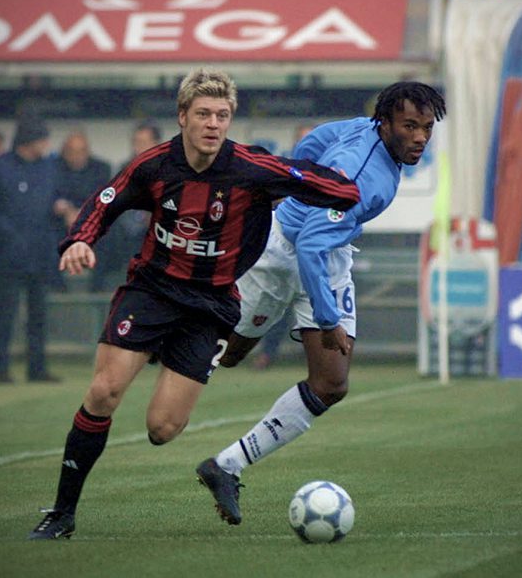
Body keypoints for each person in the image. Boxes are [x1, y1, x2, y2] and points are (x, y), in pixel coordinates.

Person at [27, 67, 360, 541]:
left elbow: (323, 183)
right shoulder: (154, 166)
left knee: (163, 429)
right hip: (152, 291)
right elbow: (106, 201)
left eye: (222, 115)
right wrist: (77, 241)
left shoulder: (251, 168)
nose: (213, 124)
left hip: (210, 308)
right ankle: (62, 513)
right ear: (182, 116)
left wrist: (354, 196)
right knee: (103, 392)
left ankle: (160, 352)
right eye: (203, 113)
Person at [196, 82, 446, 526]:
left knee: (331, 382)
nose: (420, 137)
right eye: (410, 126)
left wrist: (289, 180)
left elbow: (315, 142)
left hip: (325, 255)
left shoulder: (358, 129)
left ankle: (225, 466)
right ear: (385, 122)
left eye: (426, 127)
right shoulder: (364, 179)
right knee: (231, 354)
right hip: (280, 255)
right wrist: (329, 319)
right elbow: (310, 243)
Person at [0, 115, 61, 383]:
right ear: (29, 141)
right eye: (43, 139)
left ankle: (37, 368)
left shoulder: (49, 168)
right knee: (4, 313)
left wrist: (60, 207)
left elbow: (53, 201)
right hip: (9, 255)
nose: (47, 145)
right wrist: (12, 235)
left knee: (38, 316)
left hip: (40, 254)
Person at [251, 122, 315, 370]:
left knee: (316, 302)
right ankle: (262, 351)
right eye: (301, 140)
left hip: (315, 254)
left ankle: (318, 353)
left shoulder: (328, 174)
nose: (306, 147)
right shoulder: (285, 173)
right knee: (275, 302)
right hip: (283, 251)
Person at [94, 121, 163, 295]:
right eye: (135, 142)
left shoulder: (169, 169)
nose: (137, 147)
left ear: (156, 143)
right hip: (127, 232)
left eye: (143, 142)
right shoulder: (125, 168)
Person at [52, 130, 112, 292]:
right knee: (46, 235)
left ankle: (96, 287)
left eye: (81, 151)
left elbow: (106, 198)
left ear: (88, 151)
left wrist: (82, 214)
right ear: (64, 152)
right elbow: (51, 196)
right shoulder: (53, 168)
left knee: (110, 234)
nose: (77, 156)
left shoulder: (101, 168)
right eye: (72, 151)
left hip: (93, 222)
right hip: (62, 223)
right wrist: (66, 210)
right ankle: (58, 288)